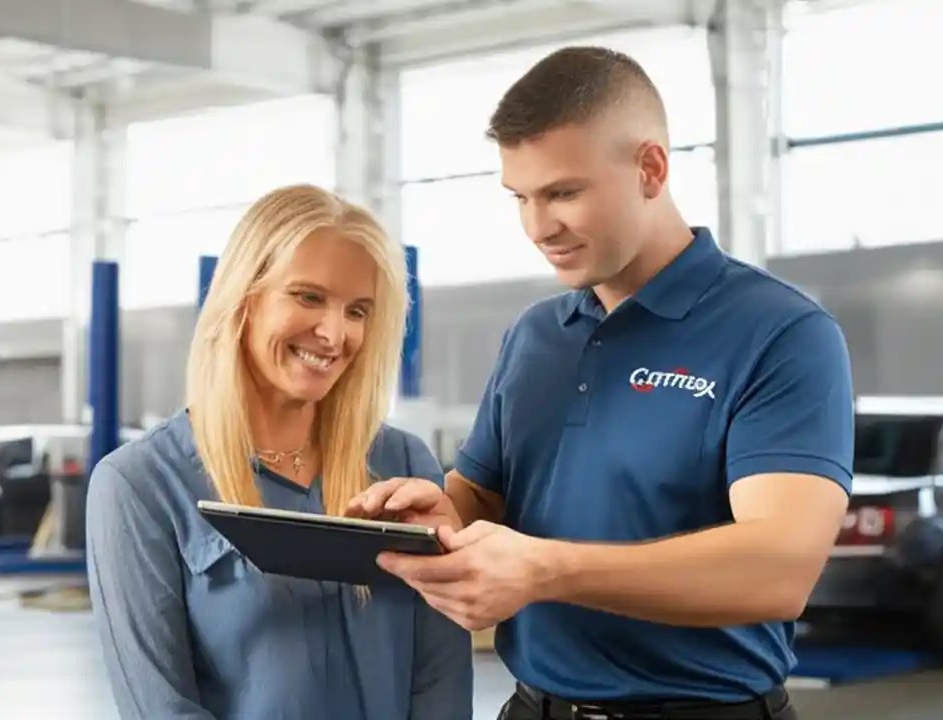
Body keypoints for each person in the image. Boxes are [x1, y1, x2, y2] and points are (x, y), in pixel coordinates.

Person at [347, 46, 854, 720]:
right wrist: (440, 519)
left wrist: (546, 570)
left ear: (651, 168)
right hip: (532, 708)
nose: (537, 226)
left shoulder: (781, 332)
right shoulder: (535, 334)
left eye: (563, 193)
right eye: (520, 198)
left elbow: (777, 569)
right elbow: (484, 502)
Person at [85, 184, 474, 720]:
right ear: (244, 298)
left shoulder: (404, 466)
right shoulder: (141, 484)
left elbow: (441, 682)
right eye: (308, 297)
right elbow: (160, 706)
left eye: (357, 311)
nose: (334, 334)